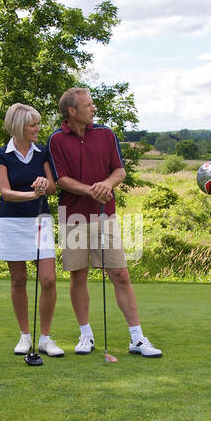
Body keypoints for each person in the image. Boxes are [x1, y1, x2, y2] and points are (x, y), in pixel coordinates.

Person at [47, 87, 161, 358]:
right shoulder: (56, 140)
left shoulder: (106, 134)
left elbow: (118, 170)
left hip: (104, 215)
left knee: (120, 273)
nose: (93, 108)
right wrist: (90, 190)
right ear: (72, 111)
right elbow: (61, 179)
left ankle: (137, 338)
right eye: (88, 105)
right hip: (73, 216)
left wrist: (106, 184)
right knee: (79, 275)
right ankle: (85, 334)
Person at [0, 103, 64, 357]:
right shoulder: (1, 154)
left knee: (48, 279)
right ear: (19, 126)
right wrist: (33, 194)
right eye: (33, 124)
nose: (38, 128)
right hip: (12, 222)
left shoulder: (42, 152)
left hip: (41, 221)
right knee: (19, 279)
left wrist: (45, 184)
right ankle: (25, 336)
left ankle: (45, 338)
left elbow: (53, 187)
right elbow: (6, 193)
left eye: (37, 123)